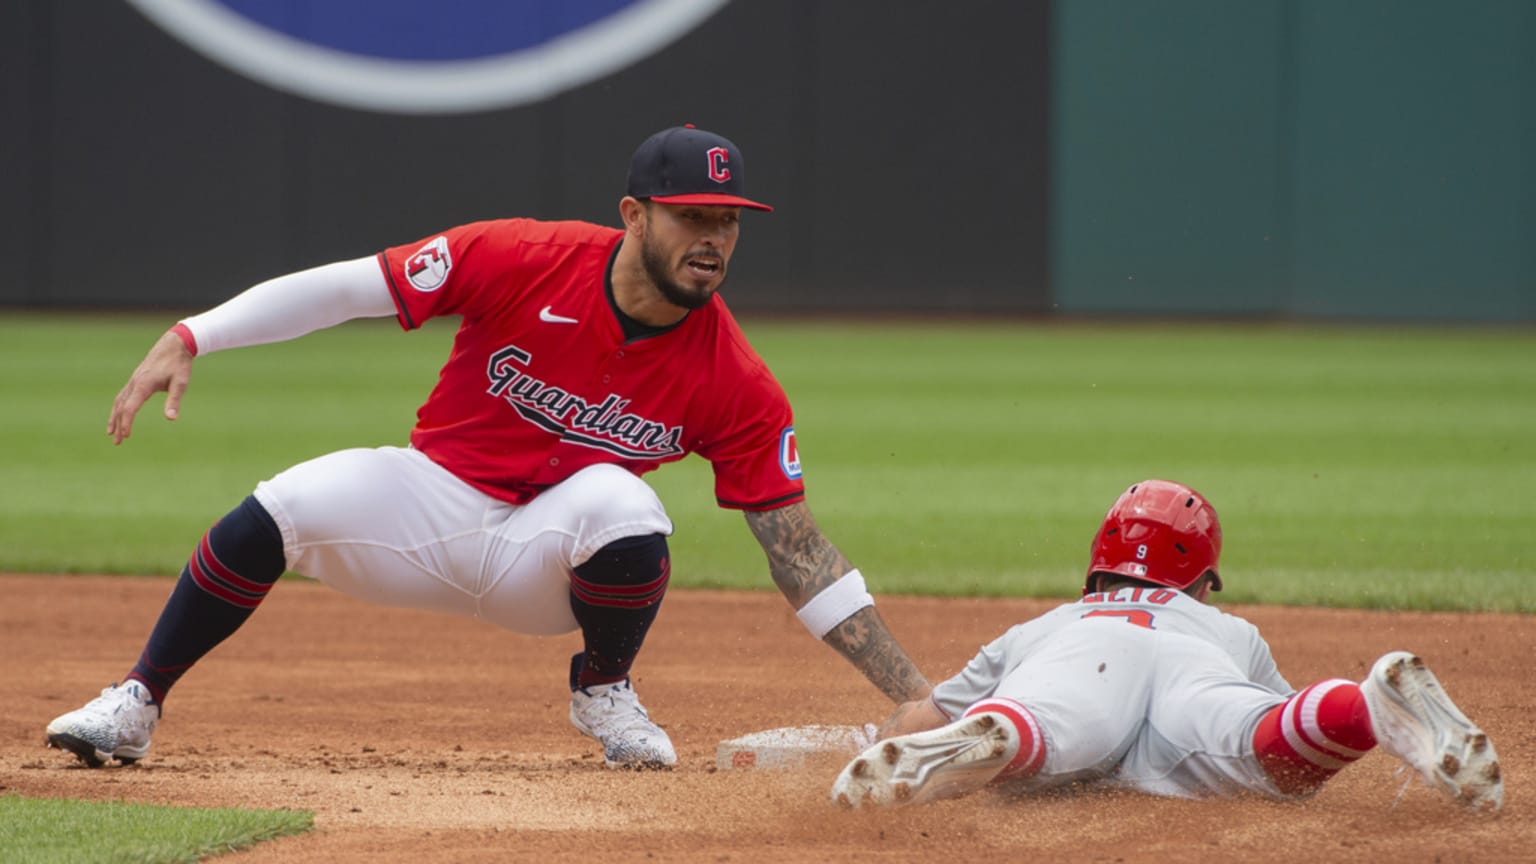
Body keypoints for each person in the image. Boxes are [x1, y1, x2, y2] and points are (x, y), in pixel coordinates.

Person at [45, 125, 930, 771]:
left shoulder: (735, 378)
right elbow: (348, 290)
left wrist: (917, 697)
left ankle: (604, 690)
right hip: (429, 503)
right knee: (280, 506)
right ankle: (136, 702)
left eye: (729, 220)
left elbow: (800, 554)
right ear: (634, 214)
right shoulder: (525, 257)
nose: (714, 238)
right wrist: (194, 335)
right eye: (692, 214)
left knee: (628, 508)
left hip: (541, 560)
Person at [831, 479, 1503, 812]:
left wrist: (887, 733)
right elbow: (1277, 721)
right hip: (1193, 669)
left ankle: (1001, 733)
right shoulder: (1230, 630)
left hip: (1079, 662)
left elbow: (921, 718)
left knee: (1040, 723)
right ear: (1203, 581)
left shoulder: (1049, 624)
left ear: (1098, 563)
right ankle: (1366, 707)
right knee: (1265, 748)